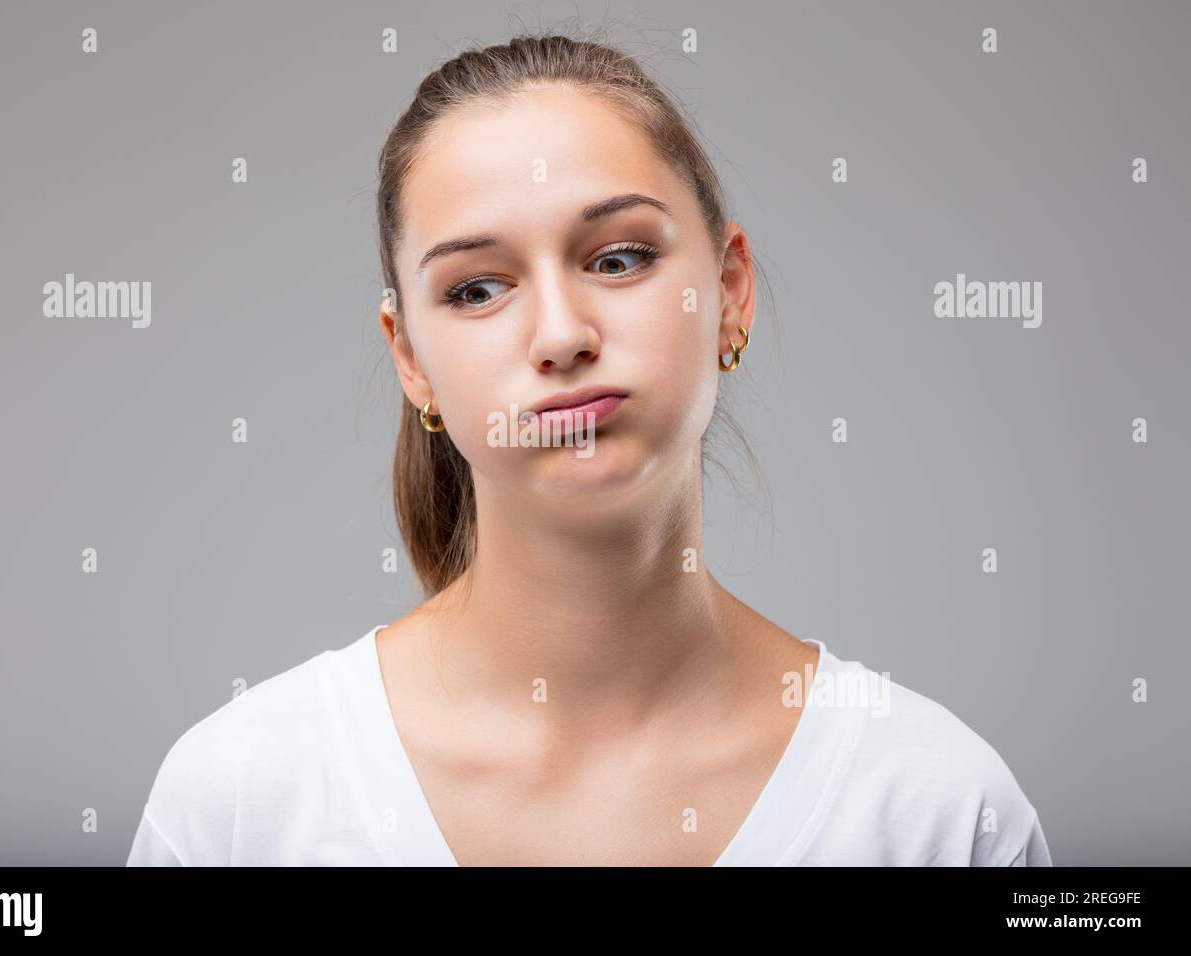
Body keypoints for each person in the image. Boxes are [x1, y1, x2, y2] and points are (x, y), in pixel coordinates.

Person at [126, 31, 1051, 867]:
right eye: (478, 289)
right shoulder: (237, 804)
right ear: (410, 357)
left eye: (618, 259)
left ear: (729, 292)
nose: (561, 335)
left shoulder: (935, 810)